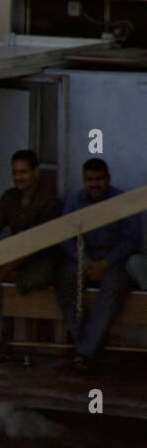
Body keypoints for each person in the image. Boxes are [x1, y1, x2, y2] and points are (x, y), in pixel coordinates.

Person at [54, 158, 142, 370]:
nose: (95, 184)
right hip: (84, 259)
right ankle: (85, 343)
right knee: (64, 277)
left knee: (114, 287)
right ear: (84, 181)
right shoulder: (75, 202)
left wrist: (106, 263)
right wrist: (82, 260)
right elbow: (65, 237)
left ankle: (84, 352)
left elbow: (131, 239)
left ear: (108, 179)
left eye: (99, 179)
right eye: (90, 180)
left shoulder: (121, 200)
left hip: (114, 262)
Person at [0, 150, 61, 293]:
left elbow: (32, 244)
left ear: (36, 172)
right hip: (13, 253)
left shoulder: (49, 200)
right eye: (14, 173)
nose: (18, 177)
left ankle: (10, 277)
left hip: (39, 257)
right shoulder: (10, 196)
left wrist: (0, 275)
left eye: (23, 172)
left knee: (36, 276)